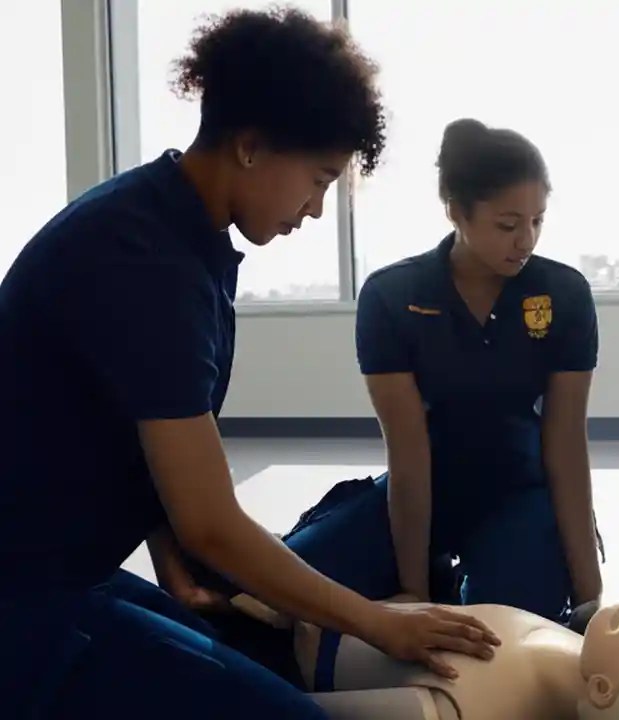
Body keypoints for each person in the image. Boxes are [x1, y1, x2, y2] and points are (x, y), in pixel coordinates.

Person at [0, 8, 499, 718]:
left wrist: (163, 537)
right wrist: (375, 618)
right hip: (27, 600)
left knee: (243, 650)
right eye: (319, 180)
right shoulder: (147, 260)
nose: (317, 211)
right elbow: (211, 520)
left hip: (65, 569)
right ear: (251, 147)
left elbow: (120, 416)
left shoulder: (168, 225)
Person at [278, 119, 603, 628]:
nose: (526, 240)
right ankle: (430, 574)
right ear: (456, 210)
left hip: (519, 491)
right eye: (507, 223)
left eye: (537, 220)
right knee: (276, 594)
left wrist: (590, 600)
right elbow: (407, 452)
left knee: (501, 634)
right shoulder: (392, 296)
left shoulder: (564, 295)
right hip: (421, 487)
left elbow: (565, 443)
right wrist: (414, 590)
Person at [284, 597, 619, 720]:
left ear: (602, 689)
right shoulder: (578, 651)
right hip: (337, 607)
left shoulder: (472, 709)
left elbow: (293, 711)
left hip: (297, 639)